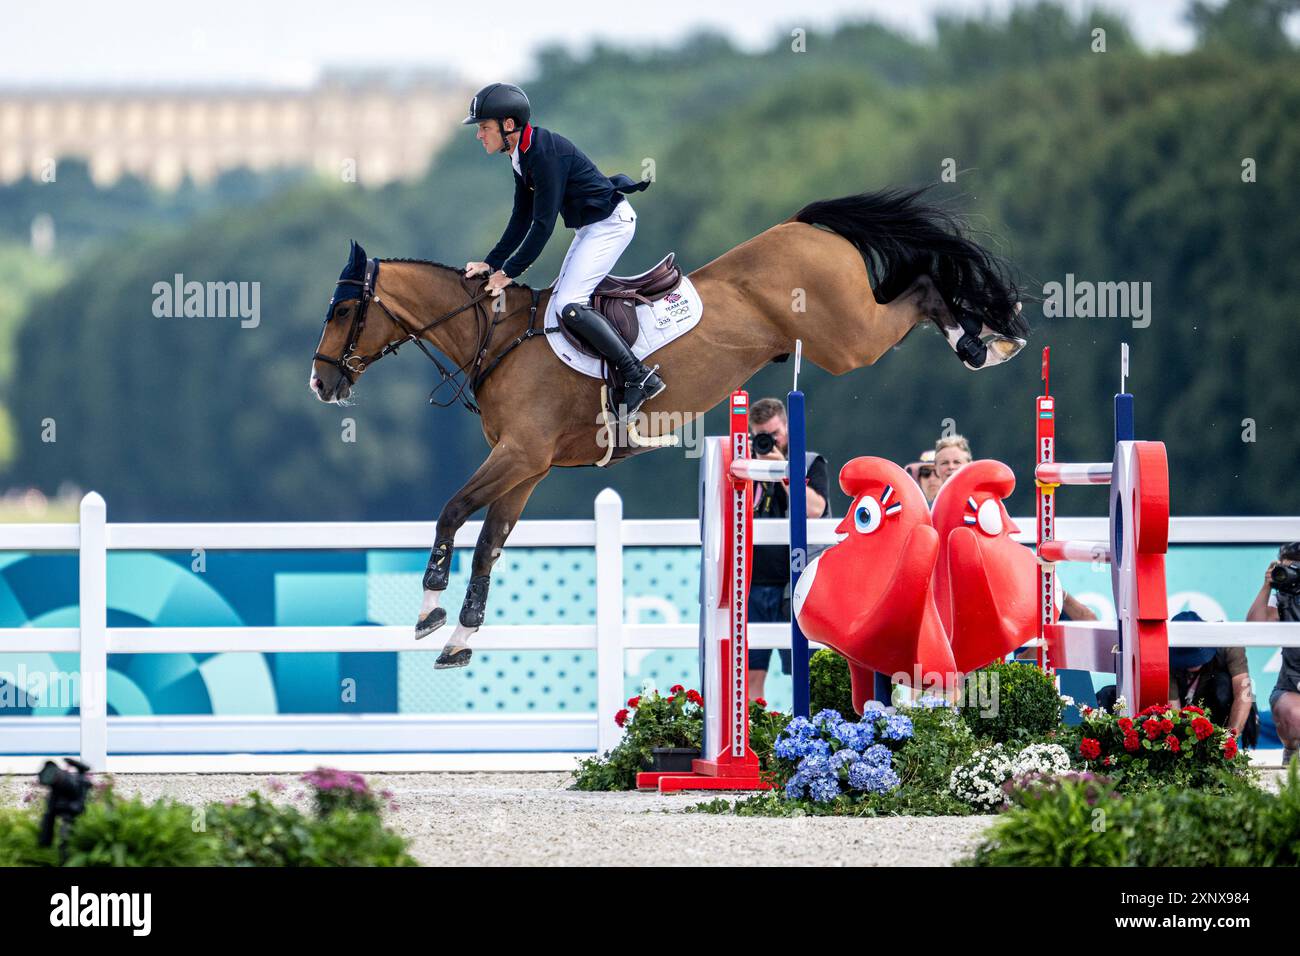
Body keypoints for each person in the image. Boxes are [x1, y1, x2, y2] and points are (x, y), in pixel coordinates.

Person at [461, 82, 663, 419]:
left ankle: (637, 376)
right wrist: (491, 262)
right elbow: (521, 216)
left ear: (508, 125)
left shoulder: (543, 153)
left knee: (569, 304)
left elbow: (543, 225)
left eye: (483, 127)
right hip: (591, 227)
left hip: (611, 225)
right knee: (558, 303)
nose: (479, 135)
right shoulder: (521, 155)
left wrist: (508, 273)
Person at [743, 398, 830, 702]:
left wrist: (782, 471)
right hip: (751, 583)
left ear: (787, 429)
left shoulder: (808, 462)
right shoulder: (745, 467)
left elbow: (815, 510)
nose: (770, 441)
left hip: (794, 584)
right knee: (750, 675)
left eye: (775, 433)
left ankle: (802, 737)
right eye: (760, 436)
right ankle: (757, 740)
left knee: (803, 670)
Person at [1166, 611, 1258, 745]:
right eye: (1186, 659)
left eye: (1196, 656)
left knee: (1223, 685)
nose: (1192, 662)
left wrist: (1229, 740)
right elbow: (1173, 706)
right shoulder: (1165, 653)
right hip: (1188, 704)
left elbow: (1244, 695)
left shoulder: (1230, 642)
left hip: (1222, 704)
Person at [1248, 541, 1300, 764]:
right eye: (1287, 568)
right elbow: (1255, 627)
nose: (1291, 575)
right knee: (1295, 716)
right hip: (1292, 684)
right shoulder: (1281, 594)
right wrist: (1268, 585)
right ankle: (1294, 752)